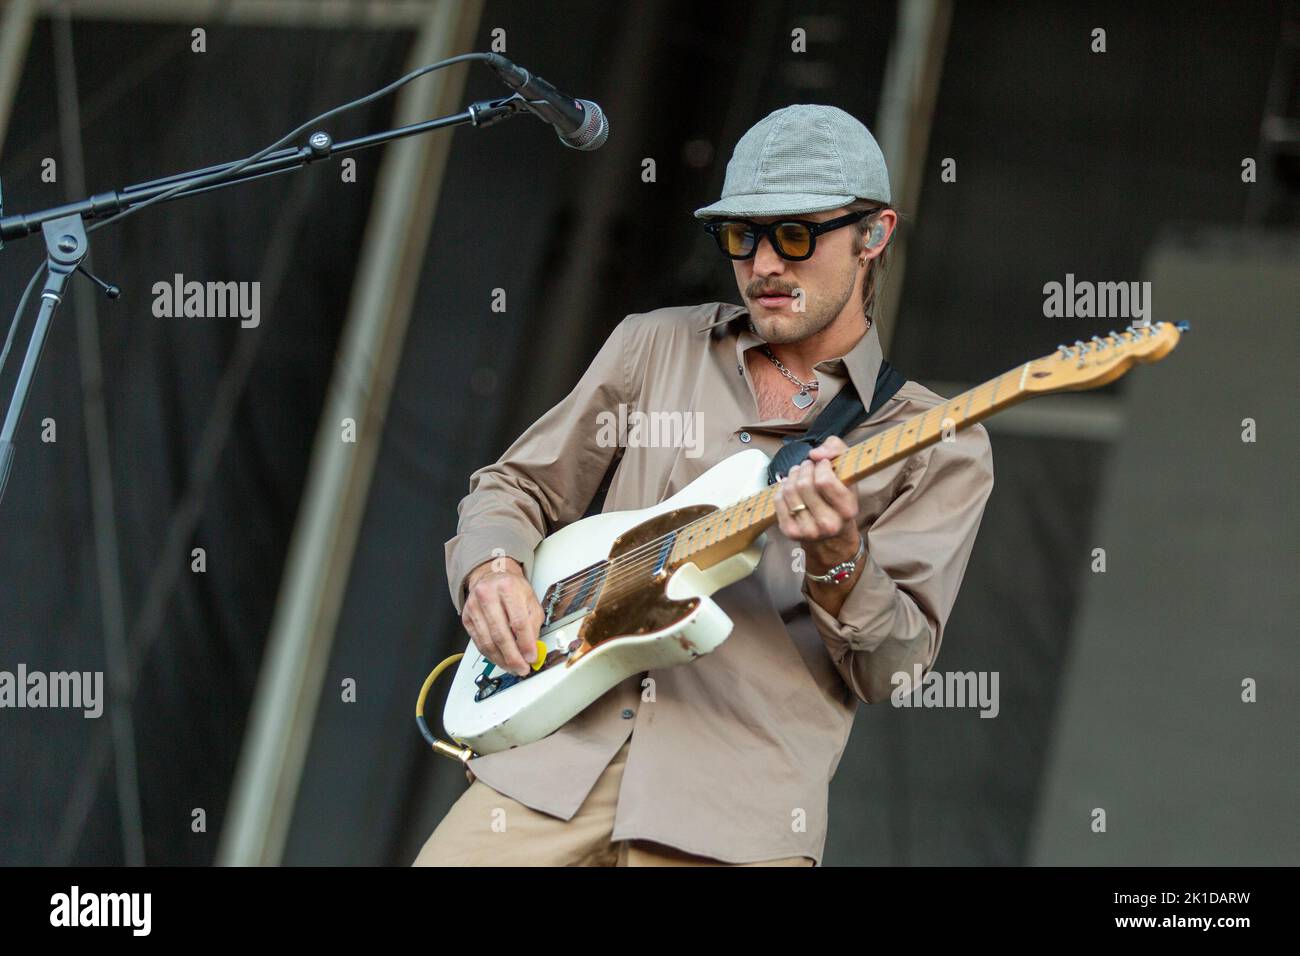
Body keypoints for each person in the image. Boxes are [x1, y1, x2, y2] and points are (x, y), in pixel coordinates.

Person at [413, 104, 994, 866]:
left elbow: (894, 669)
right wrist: (492, 569)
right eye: (740, 237)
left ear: (874, 235)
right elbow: (516, 487)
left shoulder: (942, 443)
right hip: (544, 772)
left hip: (734, 819)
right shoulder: (654, 344)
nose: (764, 266)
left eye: (795, 234)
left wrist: (841, 559)